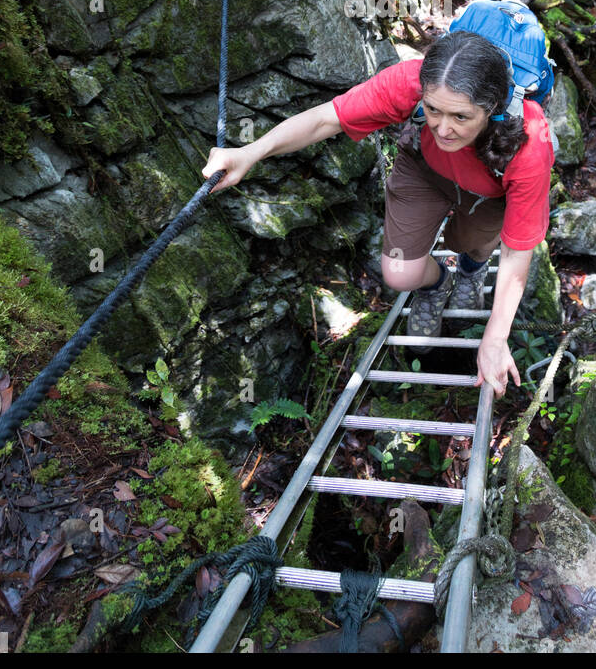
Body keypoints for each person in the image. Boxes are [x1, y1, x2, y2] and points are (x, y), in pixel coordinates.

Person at [202, 29, 554, 397]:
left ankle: (472, 269)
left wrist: (495, 339)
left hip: (489, 188)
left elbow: (516, 251)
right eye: (433, 110)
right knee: (400, 272)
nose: (444, 128)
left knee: (474, 244)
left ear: (493, 107)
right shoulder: (409, 82)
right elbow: (327, 119)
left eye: (461, 117)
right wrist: (250, 152)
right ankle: (436, 286)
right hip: (424, 170)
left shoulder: (529, 140)